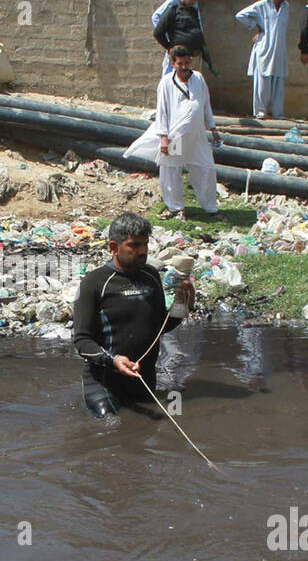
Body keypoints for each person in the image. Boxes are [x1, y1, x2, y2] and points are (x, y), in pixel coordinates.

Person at [72, 212, 194, 419]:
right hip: (103, 381)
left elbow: (159, 327)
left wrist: (183, 304)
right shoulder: (95, 283)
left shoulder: (151, 276)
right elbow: (82, 340)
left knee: (153, 427)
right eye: (134, 246)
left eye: (145, 245)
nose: (142, 251)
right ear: (113, 247)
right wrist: (114, 360)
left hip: (142, 378)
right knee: (111, 428)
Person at [123, 45, 220, 221]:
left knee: (206, 169)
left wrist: (212, 128)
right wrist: (164, 138)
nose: (184, 67)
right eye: (180, 63)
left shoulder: (198, 78)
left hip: (197, 136)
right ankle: (176, 208)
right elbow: (162, 112)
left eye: (187, 62)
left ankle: (210, 207)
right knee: (171, 170)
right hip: (177, 136)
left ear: (191, 61)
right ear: (173, 63)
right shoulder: (167, 82)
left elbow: (206, 105)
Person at [234, 0, 290, 120]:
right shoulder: (261, 6)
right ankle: (260, 111)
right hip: (264, 48)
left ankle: (278, 113)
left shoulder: (286, 7)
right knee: (262, 82)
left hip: (280, 49)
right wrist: (255, 26)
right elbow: (240, 16)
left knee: (278, 81)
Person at [152, 0, 207, 76]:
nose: (196, 0)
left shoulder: (191, 4)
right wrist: (172, 44)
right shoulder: (175, 2)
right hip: (176, 51)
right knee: (170, 79)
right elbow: (156, 17)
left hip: (190, 53)